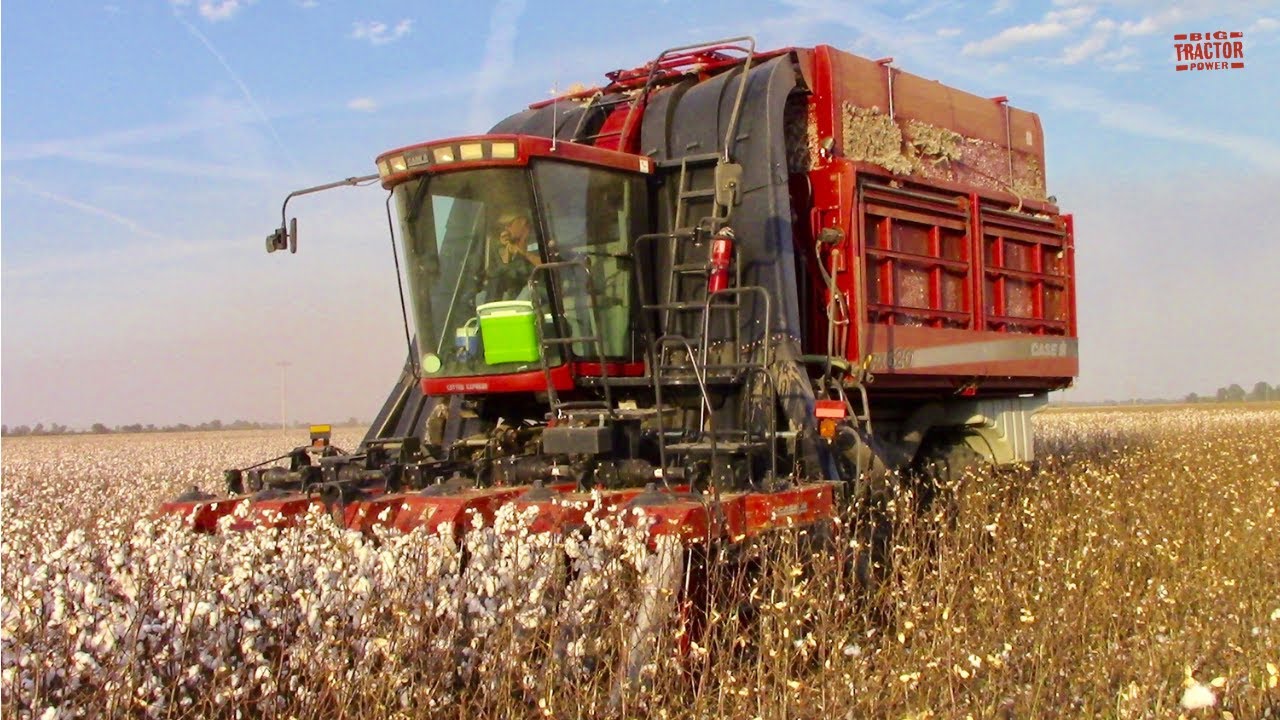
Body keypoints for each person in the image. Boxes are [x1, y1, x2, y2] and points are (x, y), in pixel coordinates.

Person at [484, 209, 541, 300]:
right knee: (481, 295)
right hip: (518, 286)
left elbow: (545, 265)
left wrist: (524, 253)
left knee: (525, 294)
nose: (506, 228)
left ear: (522, 222)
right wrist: (506, 251)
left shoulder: (539, 238)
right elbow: (503, 272)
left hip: (539, 286)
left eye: (509, 224)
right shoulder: (509, 244)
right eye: (504, 226)